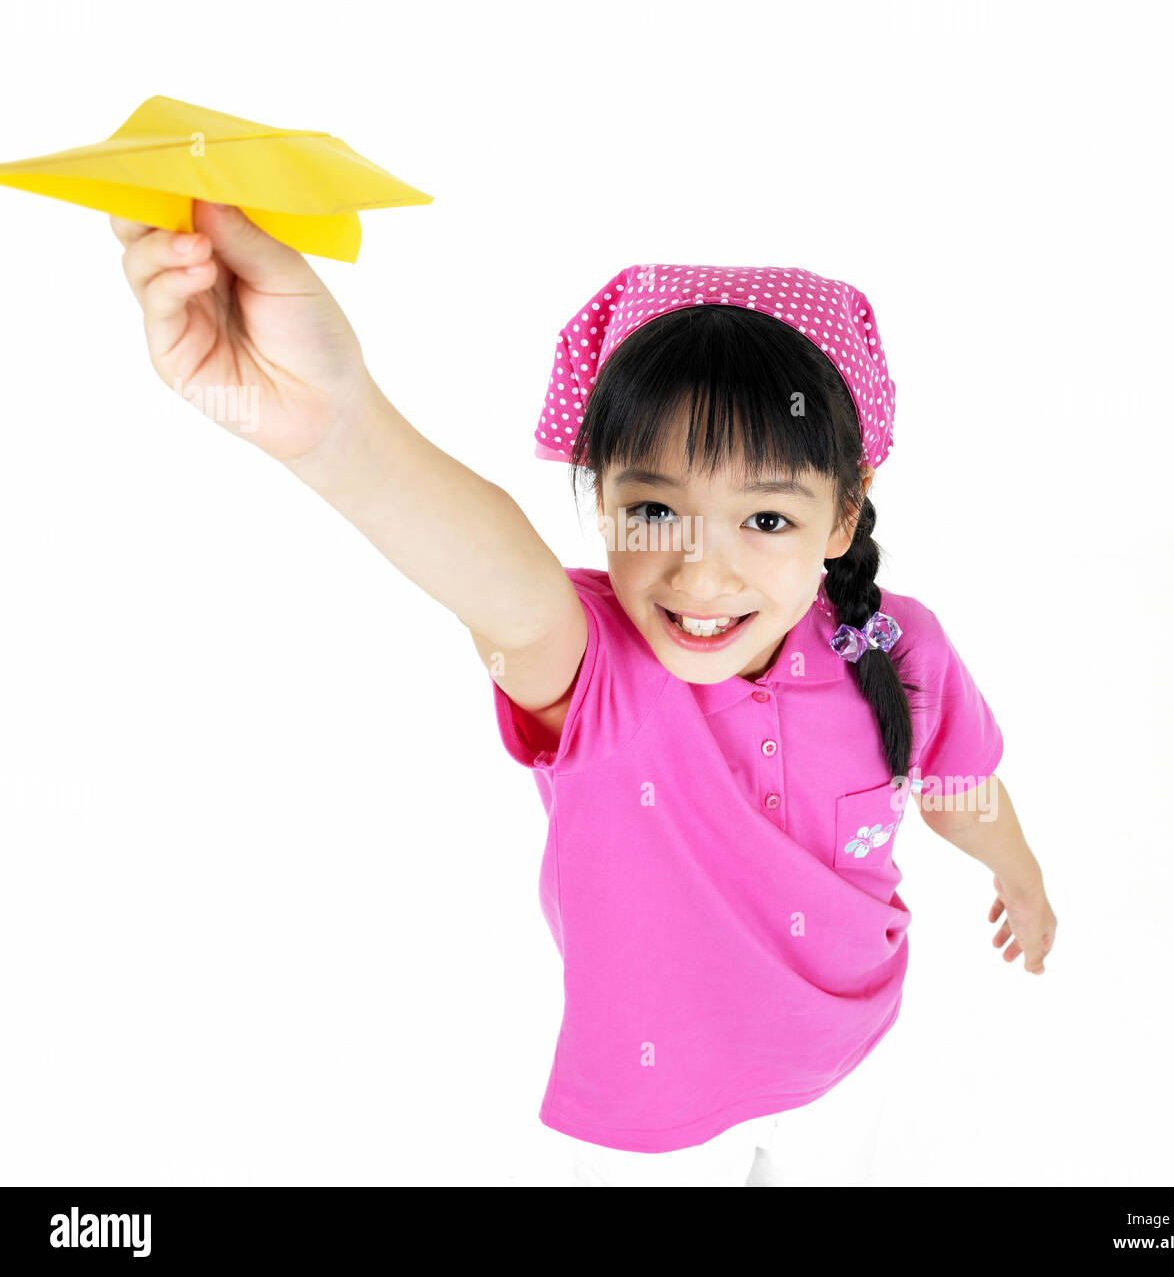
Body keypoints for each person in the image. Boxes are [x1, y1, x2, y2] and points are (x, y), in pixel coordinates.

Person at [112, 206, 1057, 1186]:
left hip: (850, 1055)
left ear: (843, 512)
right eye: (652, 509)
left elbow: (956, 783)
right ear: (598, 495)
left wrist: (1017, 870)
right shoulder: (591, 665)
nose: (699, 572)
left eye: (765, 516)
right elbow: (498, 583)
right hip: (659, 1119)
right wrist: (335, 425)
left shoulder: (897, 645)